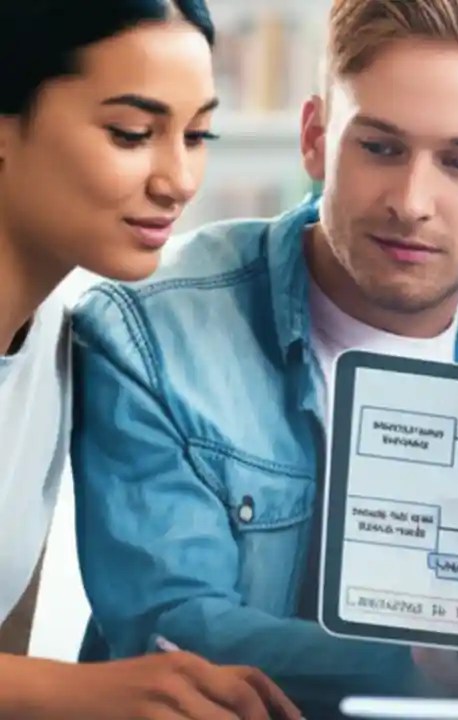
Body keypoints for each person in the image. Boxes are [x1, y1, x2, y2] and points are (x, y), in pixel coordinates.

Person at [69, 0, 458, 712]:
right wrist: (421, 667)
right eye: (379, 148)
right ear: (316, 138)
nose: (411, 202)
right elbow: (172, 638)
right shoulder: (151, 332)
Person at [0, 2, 301, 719]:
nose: (179, 179)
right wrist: (79, 691)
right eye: (131, 133)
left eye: (197, 134)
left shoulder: (59, 346)